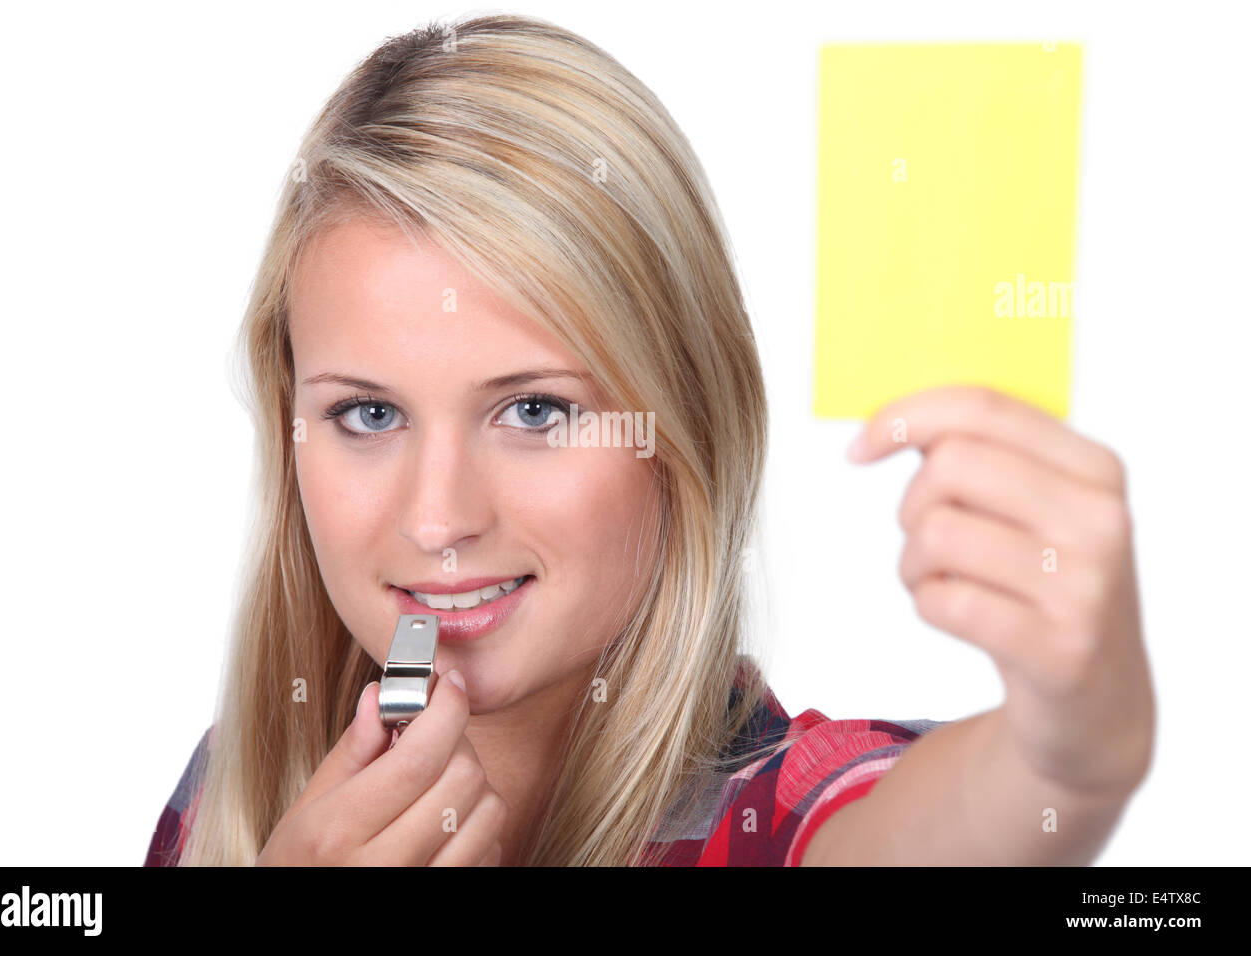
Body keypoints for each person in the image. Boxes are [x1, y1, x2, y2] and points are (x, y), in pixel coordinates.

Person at [145, 13, 1154, 867]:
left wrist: (1068, 753)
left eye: (535, 410)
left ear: (679, 429)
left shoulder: (769, 820)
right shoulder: (232, 801)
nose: (438, 517)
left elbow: (941, 821)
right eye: (367, 414)